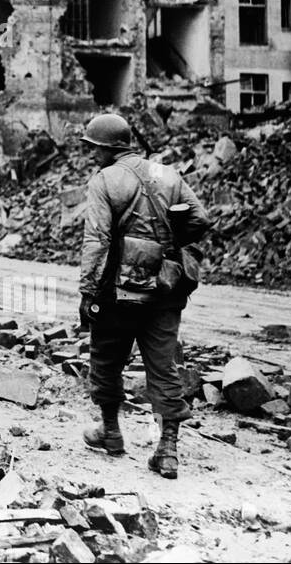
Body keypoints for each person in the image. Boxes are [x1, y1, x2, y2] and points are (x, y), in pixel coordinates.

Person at [78, 112, 210, 479]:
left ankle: (111, 433)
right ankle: (167, 451)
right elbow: (201, 219)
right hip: (166, 289)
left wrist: (88, 290)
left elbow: (98, 240)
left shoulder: (104, 180)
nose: (92, 156)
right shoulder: (167, 174)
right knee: (164, 365)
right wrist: (164, 246)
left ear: (107, 148)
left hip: (117, 292)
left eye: (94, 149)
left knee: (106, 359)